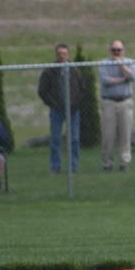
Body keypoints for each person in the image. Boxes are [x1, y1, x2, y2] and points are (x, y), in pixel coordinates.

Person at [37, 42, 85, 173]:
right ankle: (55, 166)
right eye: (59, 54)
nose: (62, 56)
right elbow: (42, 91)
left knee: (74, 139)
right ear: (56, 55)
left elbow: (83, 89)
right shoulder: (49, 71)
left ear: (68, 55)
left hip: (73, 110)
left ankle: (73, 166)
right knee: (55, 139)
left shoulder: (75, 70)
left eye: (64, 54)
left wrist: (76, 103)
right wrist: (53, 103)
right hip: (56, 110)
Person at [98, 39, 135, 171]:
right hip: (109, 102)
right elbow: (106, 81)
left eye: (118, 50)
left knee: (125, 135)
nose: (116, 52)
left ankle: (124, 162)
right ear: (110, 51)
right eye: (114, 50)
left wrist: (120, 64)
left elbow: (132, 76)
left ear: (123, 50)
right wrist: (123, 79)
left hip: (125, 102)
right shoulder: (104, 63)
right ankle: (107, 163)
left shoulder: (130, 62)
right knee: (108, 135)